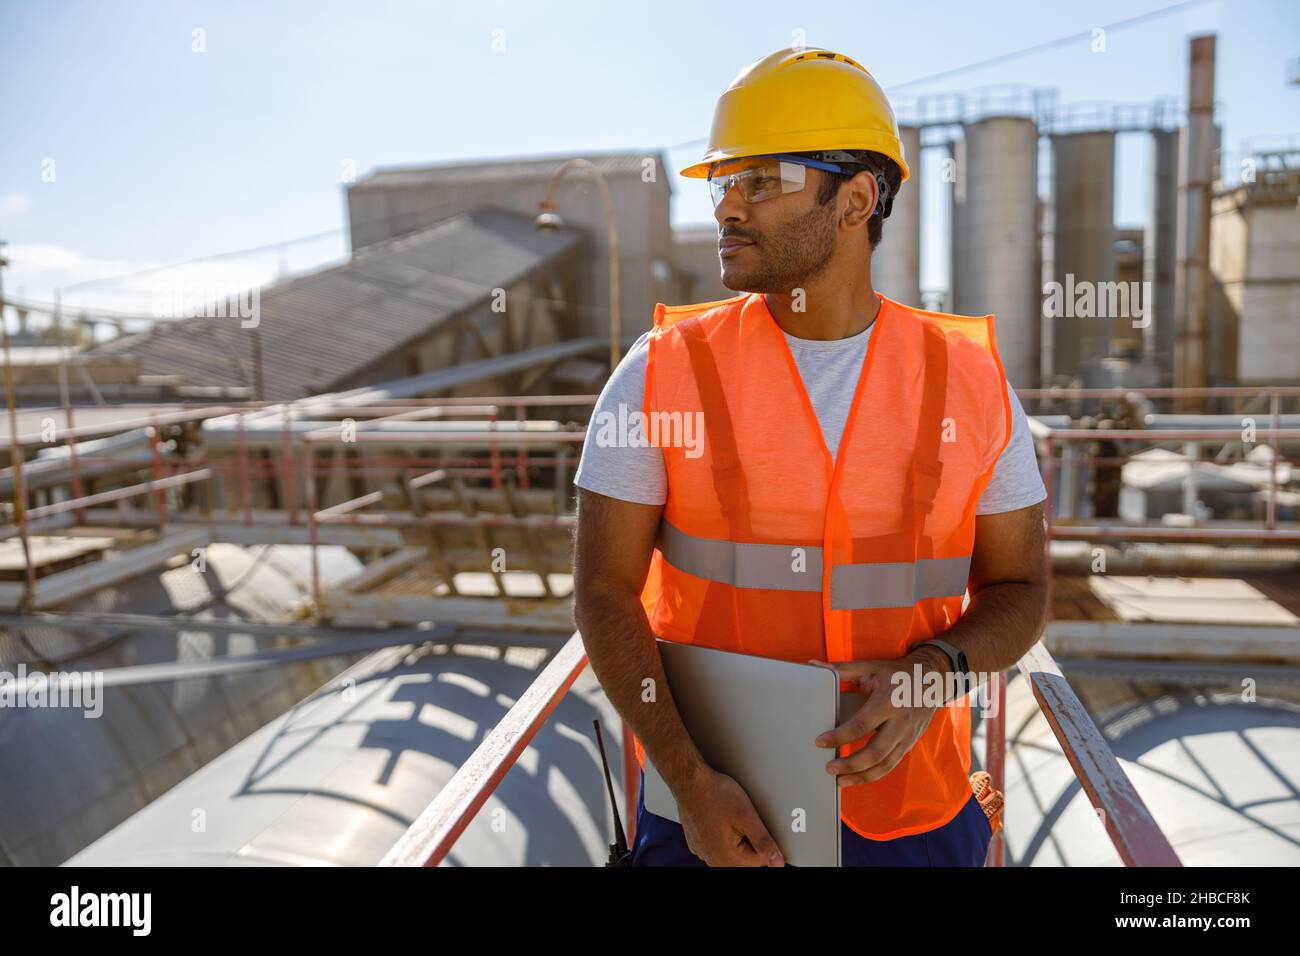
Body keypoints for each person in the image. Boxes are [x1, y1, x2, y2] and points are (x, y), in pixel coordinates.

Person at [573, 46, 1048, 867]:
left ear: (857, 199)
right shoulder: (659, 372)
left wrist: (933, 673)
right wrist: (688, 783)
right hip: (716, 818)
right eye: (724, 183)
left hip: (917, 816)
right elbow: (603, 592)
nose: (728, 208)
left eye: (761, 181)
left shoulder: (970, 382)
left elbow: (1023, 588)